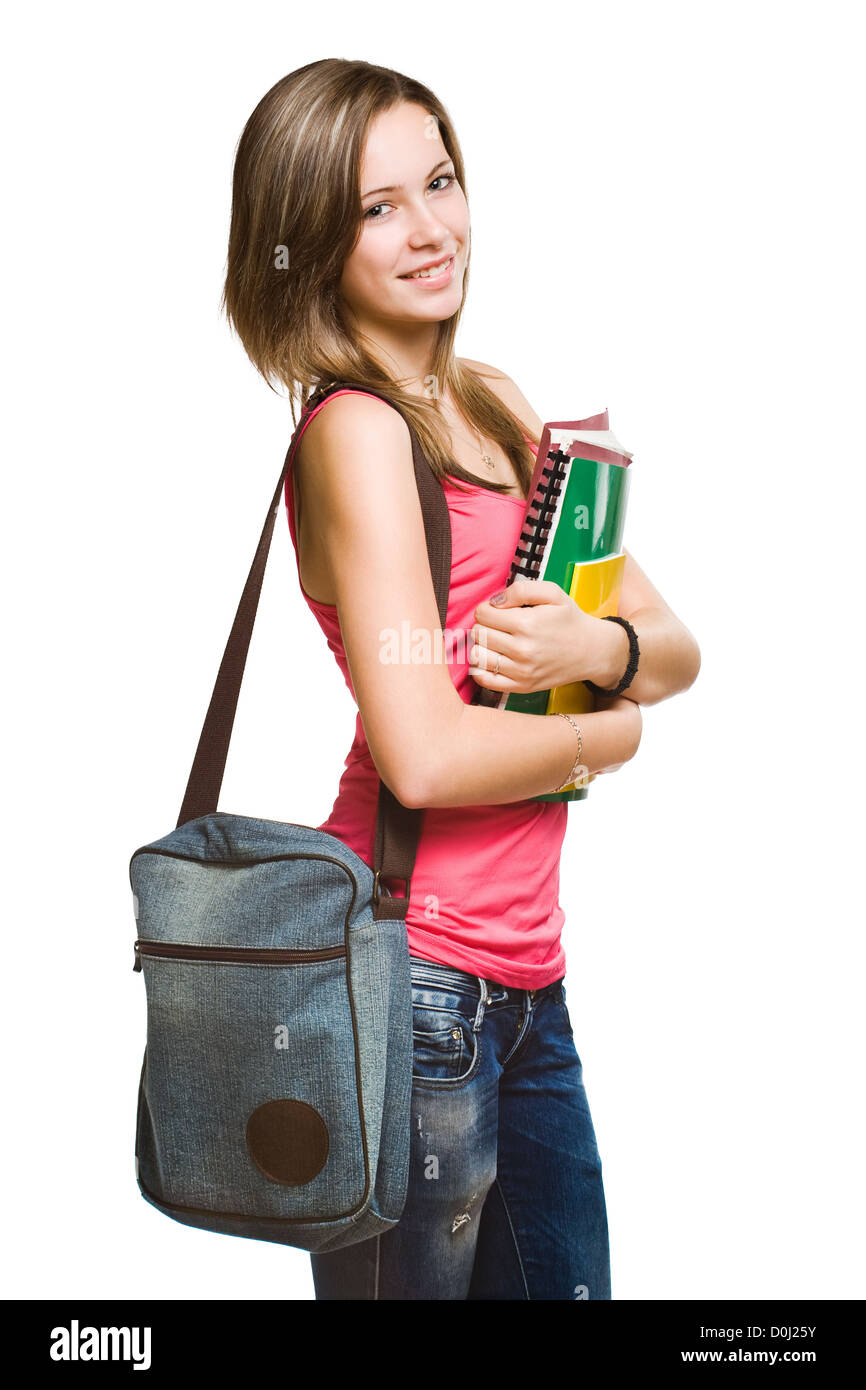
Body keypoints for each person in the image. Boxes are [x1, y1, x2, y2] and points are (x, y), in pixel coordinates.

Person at [221, 59, 700, 1300]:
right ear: (309, 238)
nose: (430, 228)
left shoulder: (491, 407)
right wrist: (615, 736)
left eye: (439, 182)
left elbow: (672, 643)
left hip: (526, 983)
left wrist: (598, 655)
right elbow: (425, 756)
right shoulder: (356, 434)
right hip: (411, 980)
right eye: (378, 205)